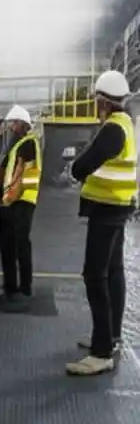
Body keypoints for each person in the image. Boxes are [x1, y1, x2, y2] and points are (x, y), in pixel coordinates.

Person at [67, 70, 136, 376]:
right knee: (114, 272)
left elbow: (84, 163)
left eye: (97, 101)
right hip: (117, 208)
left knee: (94, 275)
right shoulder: (125, 124)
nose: (95, 107)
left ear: (105, 103)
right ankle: (110, 337)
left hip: (107, 210)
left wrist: (75, 170)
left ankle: (101, 351)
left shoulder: (112, 129)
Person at [0, 105, 40, 308]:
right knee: (8, 246)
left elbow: (20, 176)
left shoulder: (27, 144)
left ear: (22, 124)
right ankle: (11, 288)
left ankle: (23, 289)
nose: (10, 126)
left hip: (19, 202)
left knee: (19, 245)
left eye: (13, 123)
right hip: (11, 201)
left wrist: (7, 199)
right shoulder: (17, 143)